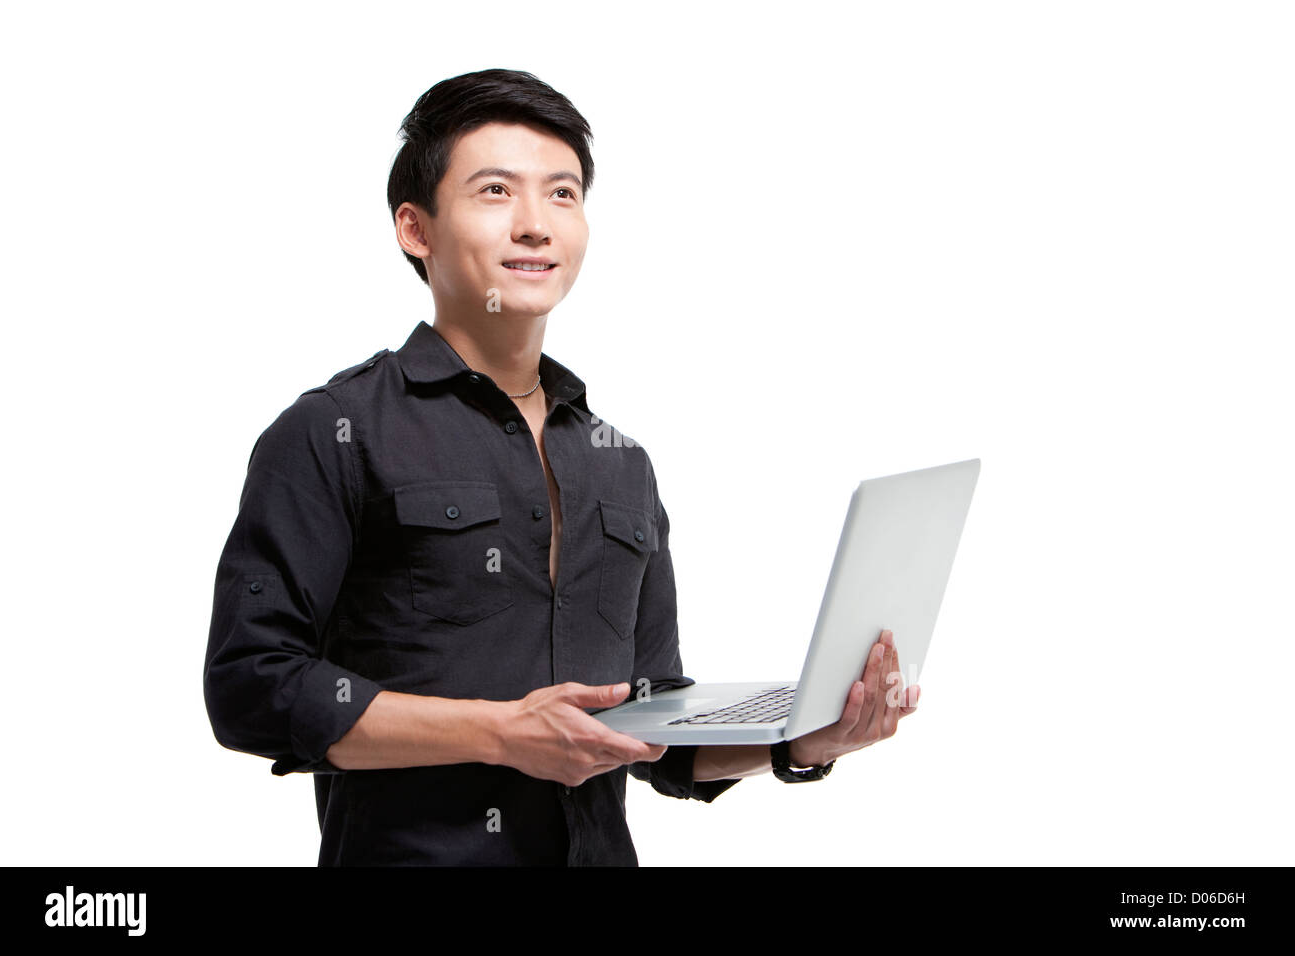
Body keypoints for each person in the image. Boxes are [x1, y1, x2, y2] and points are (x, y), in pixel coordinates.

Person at [203, 68, 919, 866]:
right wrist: (501, 733)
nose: (537, 225)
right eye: (497, 192)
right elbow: (251, 688)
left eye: (564, 194)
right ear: (416, 229)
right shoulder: (333, 431)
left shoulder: (622, 465)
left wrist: (800, 738)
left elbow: (655, 732)